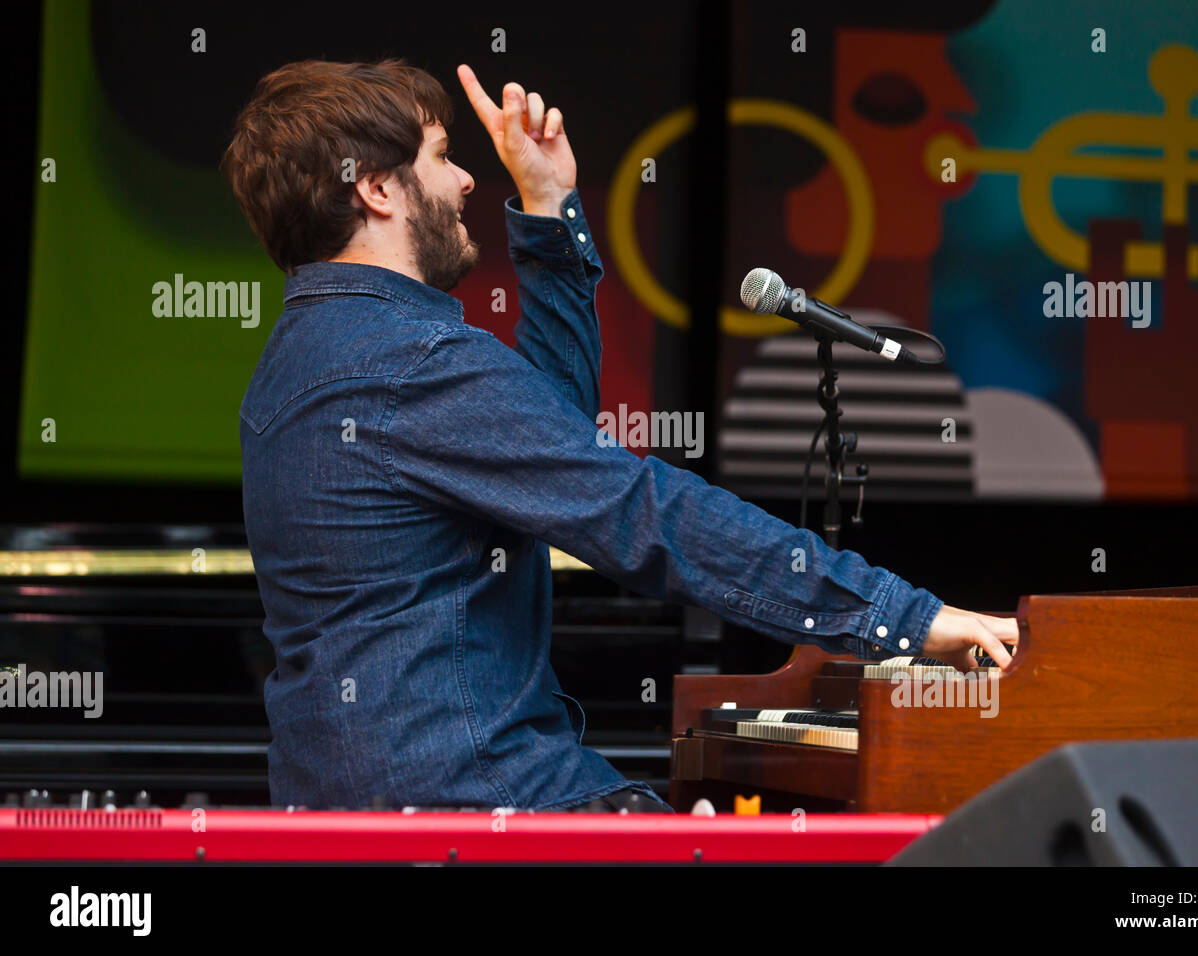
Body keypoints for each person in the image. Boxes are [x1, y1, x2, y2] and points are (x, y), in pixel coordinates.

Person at [221, 58, 1018, 813]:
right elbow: (640, 509)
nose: (467, 179)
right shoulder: (412, 363)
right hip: (476, 802)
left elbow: (550, 442)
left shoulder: (294, 363)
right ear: (379, 190)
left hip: (356, 799)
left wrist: (546, 207)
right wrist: (901, 618)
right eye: (442, 157)